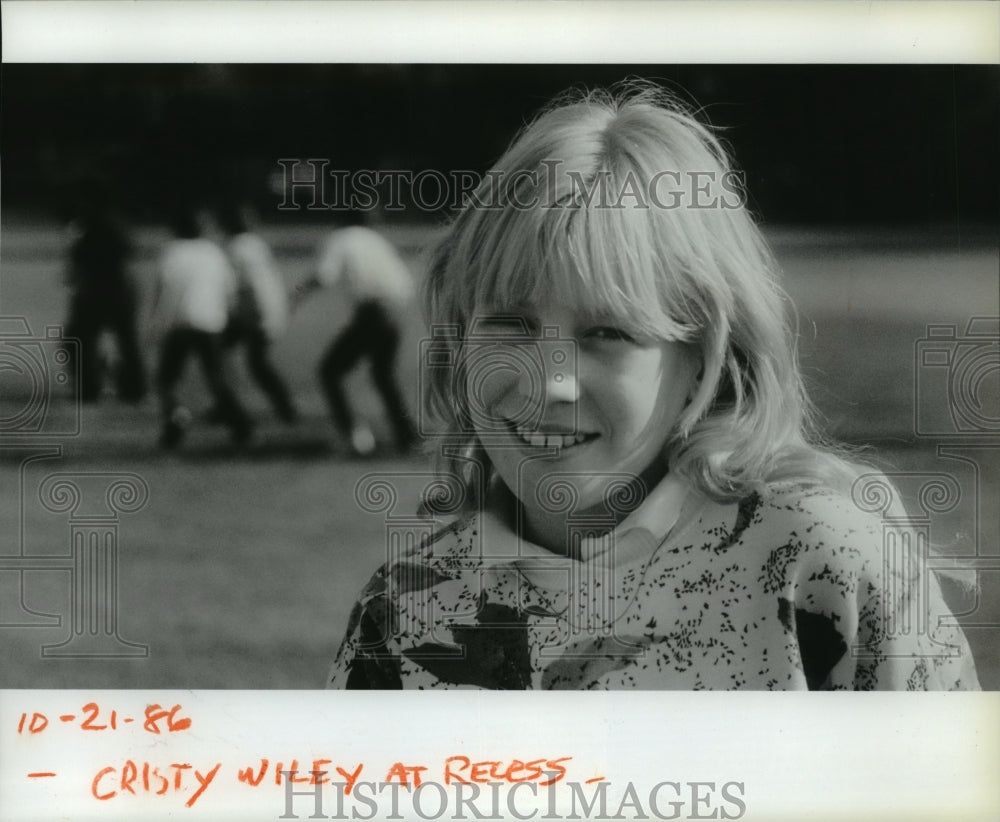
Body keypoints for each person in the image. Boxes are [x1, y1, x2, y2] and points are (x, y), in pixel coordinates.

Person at [326, 85, 979, 690]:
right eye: (511, 323)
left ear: (707, 352)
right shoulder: (399, 615)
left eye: (607, 332)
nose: (549, 382)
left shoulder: (821, 560)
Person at [297, 213, 418, 456]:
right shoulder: (375, 239)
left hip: (372, 314)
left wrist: (296, 294)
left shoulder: (340, 238)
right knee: (383, 376)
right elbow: (403, 283)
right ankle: (407, 436)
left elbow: (323, 275)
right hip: (393, 315)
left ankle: (354, 436)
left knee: (330, 372)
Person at [152, 208, 253, 449]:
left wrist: (156, 325)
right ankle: (241, 422)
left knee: (167, 379)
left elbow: (162, 291)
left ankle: (175, 417)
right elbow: (229, 290)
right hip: (210, 321)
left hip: (181, 322)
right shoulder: (213, 252)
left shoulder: (170, 253)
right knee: (216, 377)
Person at [217, 205, 298, 424]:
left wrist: (234, 315)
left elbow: (244, 288)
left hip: (256, 312)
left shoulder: (236, 248)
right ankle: (284, 408)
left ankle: (229, 406)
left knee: (225, 355)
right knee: (254, 363)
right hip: (270, 309)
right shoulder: (255, 244)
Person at [63, 198, 147, 403]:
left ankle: (88, 388)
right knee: (128, 342)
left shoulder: (85, 232)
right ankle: (134, 388)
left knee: (80, 341)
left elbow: (75, 267)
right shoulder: (117, 229)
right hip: (120, 293)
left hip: (94, 294)